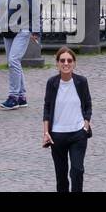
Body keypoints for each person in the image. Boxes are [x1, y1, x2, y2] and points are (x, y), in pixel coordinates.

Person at [42, 46, 92, 193]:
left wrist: (86, 125)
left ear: (74, 63)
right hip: (57, 136)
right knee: (61, 176)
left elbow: (88, 105)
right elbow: (47, 107)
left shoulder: (81, 82)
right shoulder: (52, 83)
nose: (66, 63)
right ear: (57, 63)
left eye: (69, 60)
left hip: (78, 134)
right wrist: (46, 132)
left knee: (77, 171)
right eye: (62, 60)